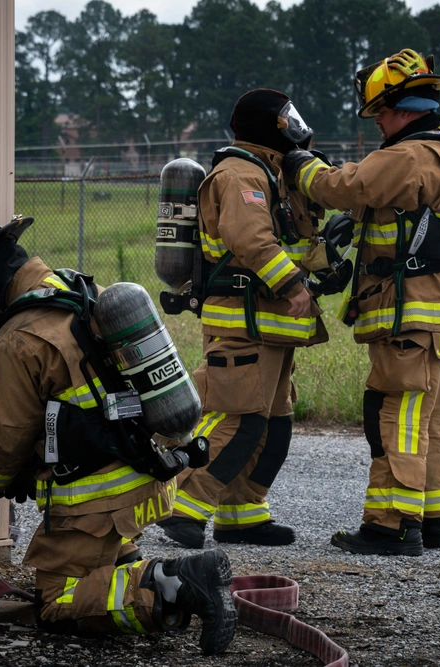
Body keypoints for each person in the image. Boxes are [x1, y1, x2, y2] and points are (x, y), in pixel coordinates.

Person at [0, 216, 236, 654]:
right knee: (102, 573)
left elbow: (7, 442)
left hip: (95, 502)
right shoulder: (88, 294)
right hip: (149, 478)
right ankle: (159, 575)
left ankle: (179, 585)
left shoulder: (19, 337)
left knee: (57, 602)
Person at [281, 49, 440, 556]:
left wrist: (301, 167)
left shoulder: (409, 155)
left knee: (395, 418)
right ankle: (433, 519)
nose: (379, 123)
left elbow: (347, 186)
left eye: (380, 113)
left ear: (403, 107)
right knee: (429, 421)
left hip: (410, 319)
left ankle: (390, 525)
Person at [157, 89, 329, 549]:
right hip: (243, 320)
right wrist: (293, 286)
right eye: (287, 117)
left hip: (272, 326)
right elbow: (251, 239)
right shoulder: (238, 174)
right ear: (269, 126)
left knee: (273, 427)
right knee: (237, 420)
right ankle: (183, 508)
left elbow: (295, 237)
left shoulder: (271, 173)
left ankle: (243, 514)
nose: (296, 124)